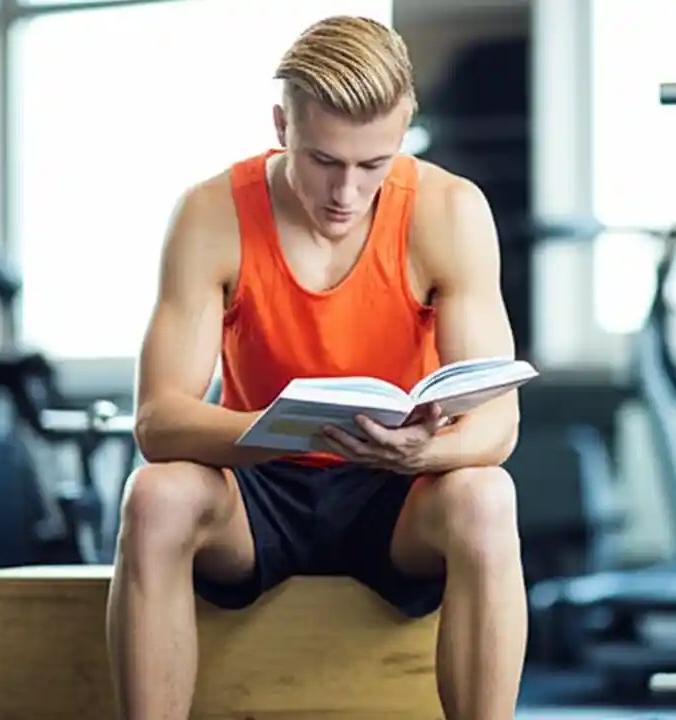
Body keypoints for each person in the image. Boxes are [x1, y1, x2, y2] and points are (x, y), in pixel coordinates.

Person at [106, 15, 526, 720]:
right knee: (154, 497)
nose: (347, 193)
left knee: (488, 498)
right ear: (282, 126)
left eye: (373, 165)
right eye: (325, 162)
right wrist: (291, 434)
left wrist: (424, 449)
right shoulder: (211, 214)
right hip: (259, 490)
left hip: (398, 495)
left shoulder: (450, 211)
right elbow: (159, 421)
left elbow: (498, 426)